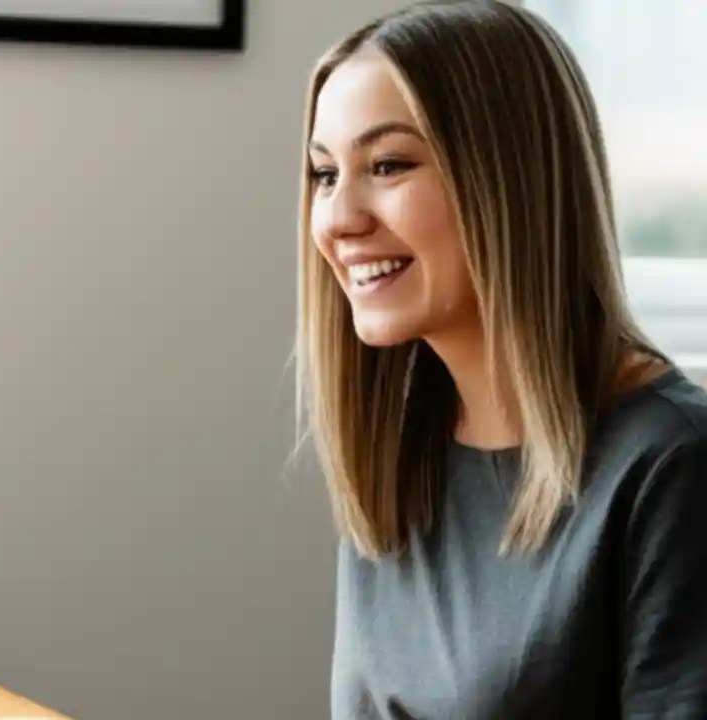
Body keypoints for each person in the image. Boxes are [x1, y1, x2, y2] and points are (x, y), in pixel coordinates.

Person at [294, 1, 707, 717]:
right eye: (325, 174)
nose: (337, 218)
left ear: (509, 180)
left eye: (387, 165)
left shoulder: (671, 467)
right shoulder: (397, 451)